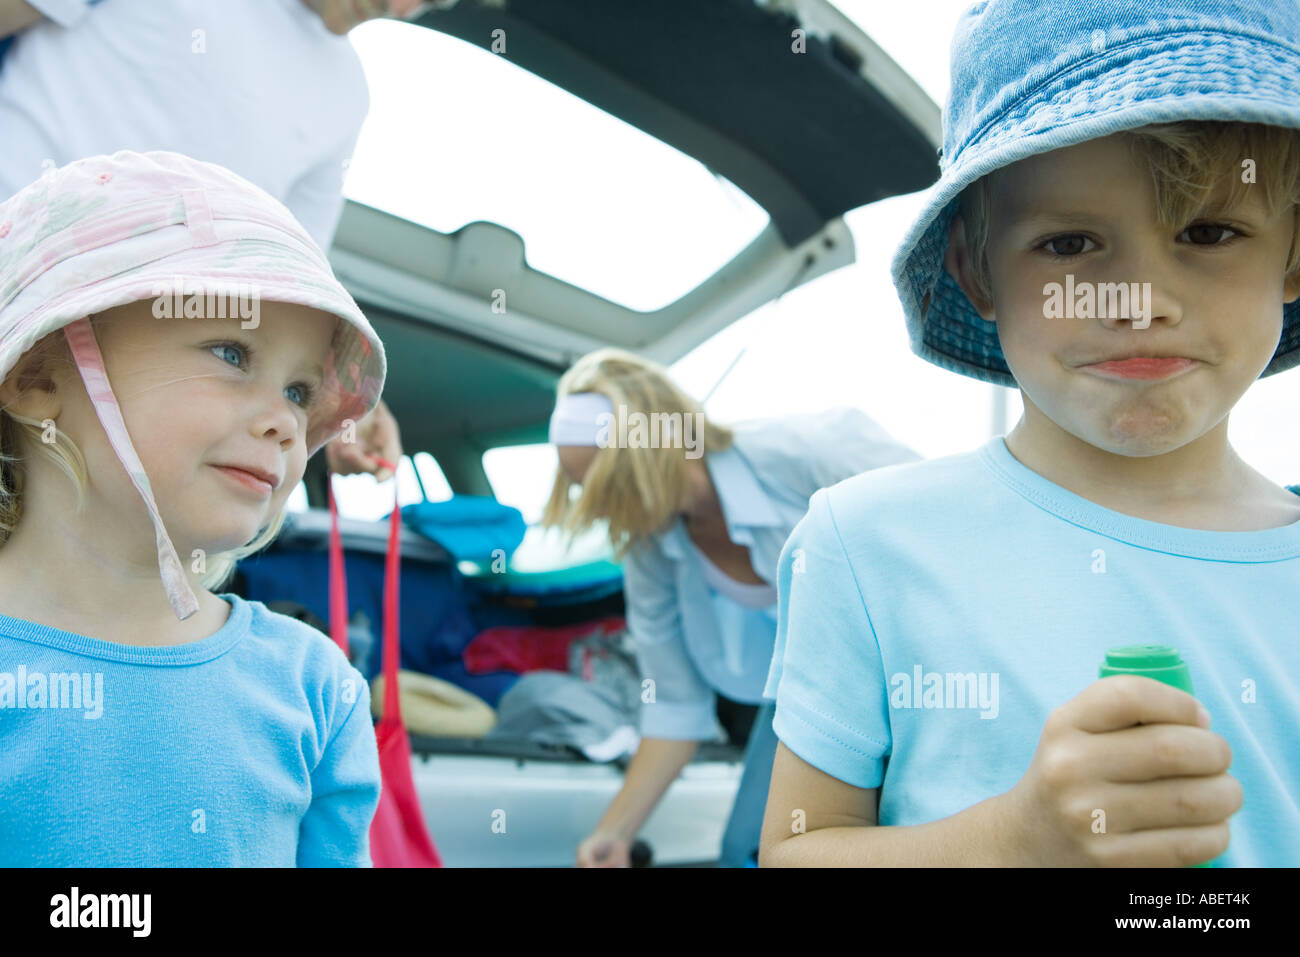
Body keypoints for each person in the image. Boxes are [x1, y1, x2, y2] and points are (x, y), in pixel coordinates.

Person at [760, 0, 1300, 867]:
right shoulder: (863, 544)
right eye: (1069, 243)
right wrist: (1017, 841)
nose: (1137, 302)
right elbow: (795, 848)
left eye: (1210, 231)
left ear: (1293, 258)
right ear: (977, 273)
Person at [0, 150, 388, 865]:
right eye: (232, 352)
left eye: (301, 392)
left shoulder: (316, 689)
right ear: (35, 375)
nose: (285, 421)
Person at [0, 0, 413, 478]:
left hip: (102, 385)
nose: (401, 6)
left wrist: (339, 402)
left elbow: (291, 277)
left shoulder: (348, 94)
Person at [542, 348, 921, 867]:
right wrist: (615, 833)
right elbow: (675, 708)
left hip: (916, 680)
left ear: (649, 452)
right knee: (747, 853)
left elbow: (943, 544)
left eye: (603, 489)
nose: (602, 512)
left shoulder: (816, 451)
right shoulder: (650, 551)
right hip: (805, 703)